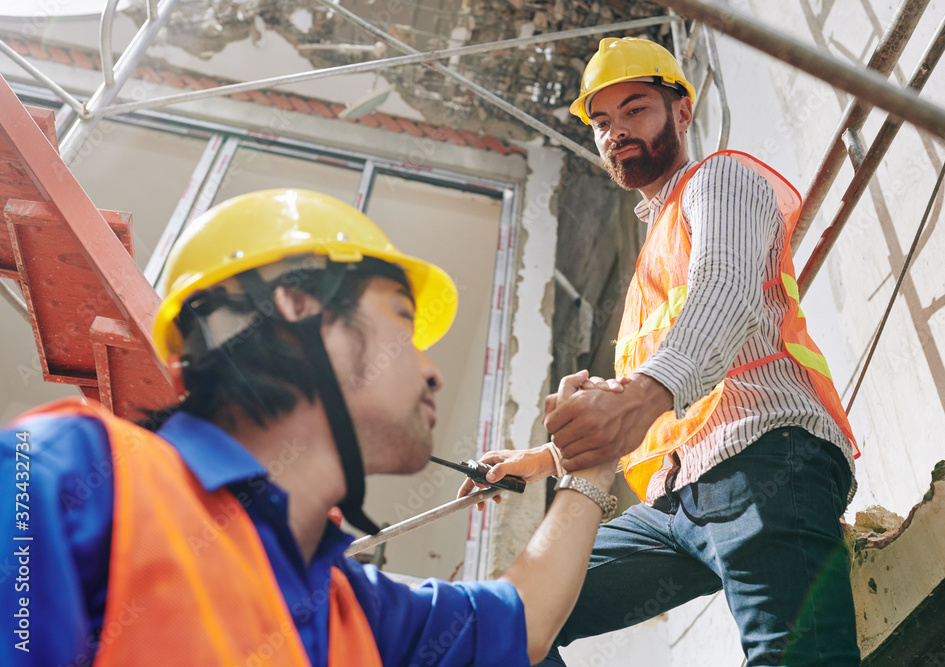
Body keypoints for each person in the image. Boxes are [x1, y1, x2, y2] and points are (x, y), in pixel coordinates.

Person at [0, 189, 618, 666]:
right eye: (403, 323)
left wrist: (589, 465)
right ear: (298, 307)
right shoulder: (67, 473)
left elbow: (522, 623)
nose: (432, 372)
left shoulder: (353, 605)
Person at [463, 37, 863, 666]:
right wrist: (543, 460)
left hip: (765, 458)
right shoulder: (654, 253)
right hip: (675, 507)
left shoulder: (721, 180)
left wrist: (638, 399)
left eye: (635, 109)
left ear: (682, 112)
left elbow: (725, 292)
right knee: (509, 622)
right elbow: (657, 406)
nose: (616, 132)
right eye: (601, 122)